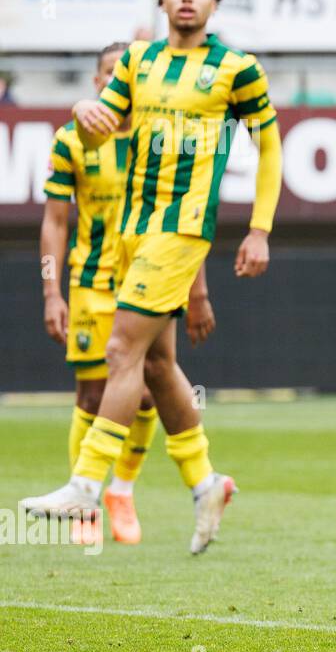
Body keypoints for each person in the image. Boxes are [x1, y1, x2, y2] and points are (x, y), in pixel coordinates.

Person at [21, 0, 283, 556]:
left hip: (181, 229)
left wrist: (259, 228)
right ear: (161, 0)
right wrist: (82, 109)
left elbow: (268, 148)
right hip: (129, 233)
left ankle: (87, 484)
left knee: (120, 350)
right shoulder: (137, 62)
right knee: (159, 366)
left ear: (214, 3)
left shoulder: (236, 68)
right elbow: (99, 125)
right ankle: (206, 483)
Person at [39, 41, 216, 546]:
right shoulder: (71, 140)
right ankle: (86, 507)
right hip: (91, 280)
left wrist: (198, 288)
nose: (118, 81)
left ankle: (120, 489)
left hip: (152, 276)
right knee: (94, 394)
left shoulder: (162, 140)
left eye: (127, 74)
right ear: (98, 84)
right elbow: (54, 222)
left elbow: (186, 217)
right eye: (109, 74)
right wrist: (52, 291)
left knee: (144, 391)